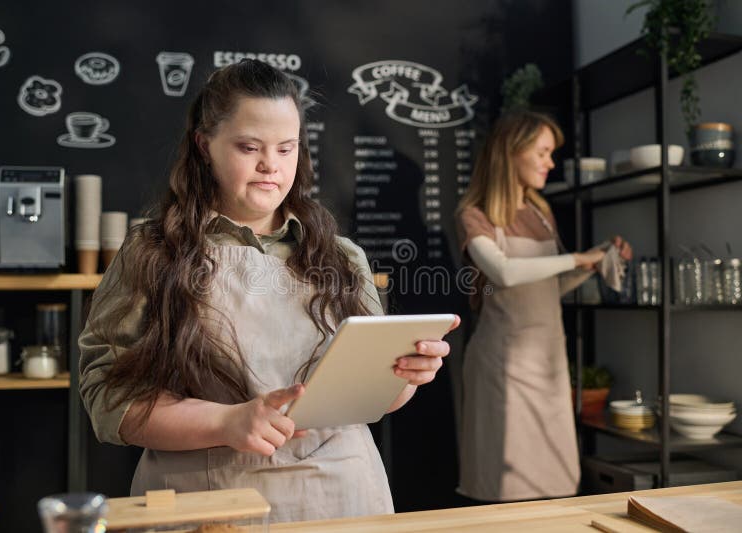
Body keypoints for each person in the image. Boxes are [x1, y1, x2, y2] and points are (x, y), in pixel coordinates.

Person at [78, 59, 459, 523]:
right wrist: (226, 422)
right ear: (204, 145)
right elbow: (107, 396)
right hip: (211, 508)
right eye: (249, 147)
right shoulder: (152, 251)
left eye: (286, 148)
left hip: (342, 500)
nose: (270, 166)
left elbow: (372, 401)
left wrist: (403, 376)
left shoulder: (342, 256)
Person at [454, 110, 631, 502]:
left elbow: (549, 286)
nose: (551, 163)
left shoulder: (541, 212)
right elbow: (504, 272)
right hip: (502, 367)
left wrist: (596, 259)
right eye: (543, 152)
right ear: (511, 152)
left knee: (557, 481)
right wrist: (577, 258)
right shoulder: (475, 215)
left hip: (548, 364)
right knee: (505, 485)